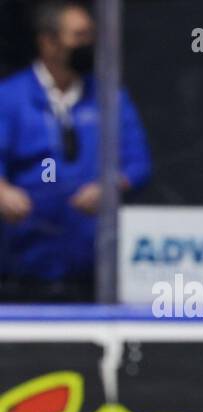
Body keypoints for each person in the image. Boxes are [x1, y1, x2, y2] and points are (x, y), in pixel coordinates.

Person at [0, 0, 151, 300]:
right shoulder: (11, 97)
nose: (88, 44)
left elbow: (138, 163)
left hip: (92, 267)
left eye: (91, 36)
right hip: (21, 265)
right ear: (48, 43)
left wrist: (110, 187)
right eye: (79, 36)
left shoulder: (109, 96)